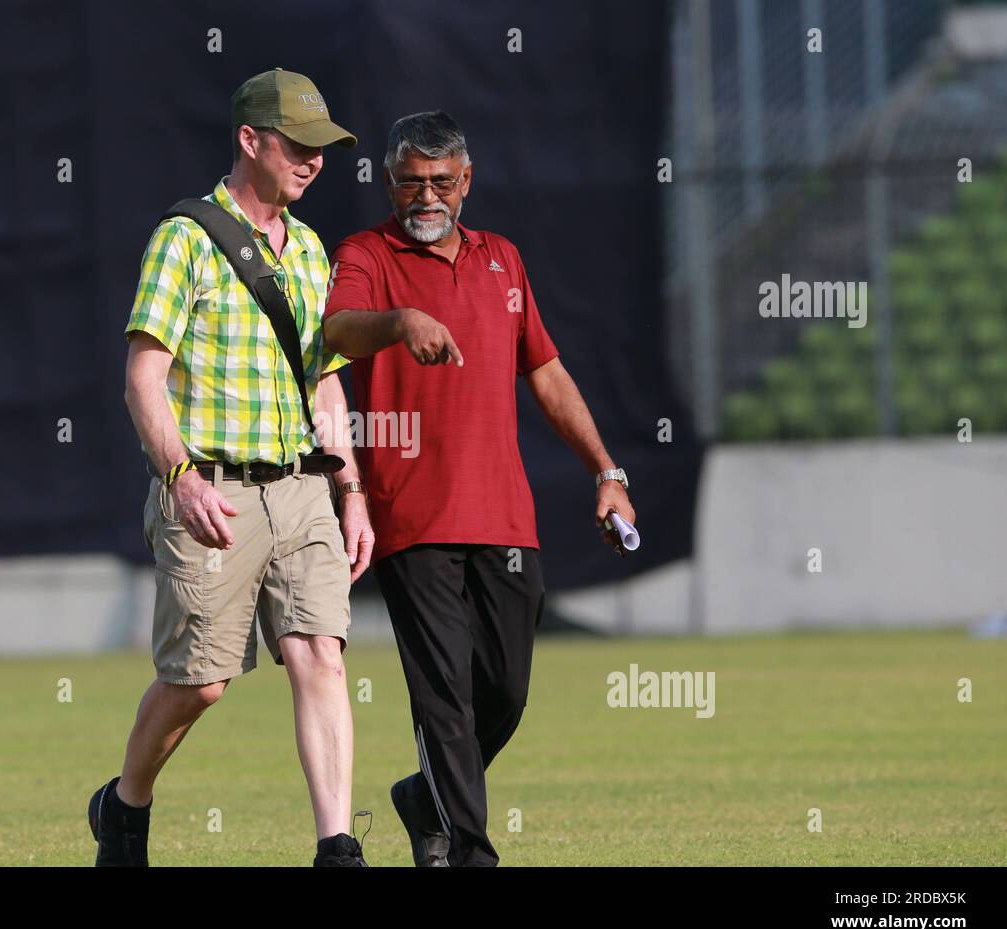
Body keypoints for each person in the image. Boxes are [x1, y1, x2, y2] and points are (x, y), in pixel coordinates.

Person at [322, 110, 635, 866]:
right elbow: (337, 332)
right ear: (389, 184)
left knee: (506, 692)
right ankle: (470, 851)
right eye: (409, 183)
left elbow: (546, 372)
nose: (424, 197)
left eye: (440, 182)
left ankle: (423, 798)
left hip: (505, 514)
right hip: (411, 516)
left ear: (466, 182)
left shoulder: (504, 260)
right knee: (444, 699)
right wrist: (399, 321)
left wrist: (607, 470)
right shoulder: (367, 253)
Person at [88, 68, 375, 867]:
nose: (315, 161)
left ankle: (337, 847)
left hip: (303, 486)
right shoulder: (183, 238)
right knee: (200, 683)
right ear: (250, 140)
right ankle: (124, 805)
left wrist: (350, 491)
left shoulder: (314, 252)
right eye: (299, 144)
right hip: (209, 491)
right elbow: (143, 375)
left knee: (321, 651)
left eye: (324, 148)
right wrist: (179, 478)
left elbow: (322, 381)